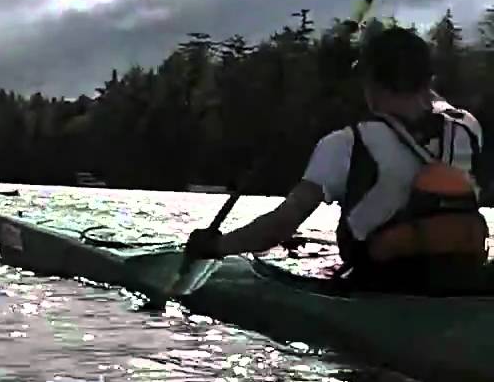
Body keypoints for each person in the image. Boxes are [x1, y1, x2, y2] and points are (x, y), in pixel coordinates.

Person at [185, 26, 487, 294]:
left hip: (383, 289)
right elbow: (432, 100)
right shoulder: (467, 129)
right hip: (462, 282)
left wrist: (216, 246)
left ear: (368, 80)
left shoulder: (345, 144)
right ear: (429, 79)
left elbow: (279, 226)